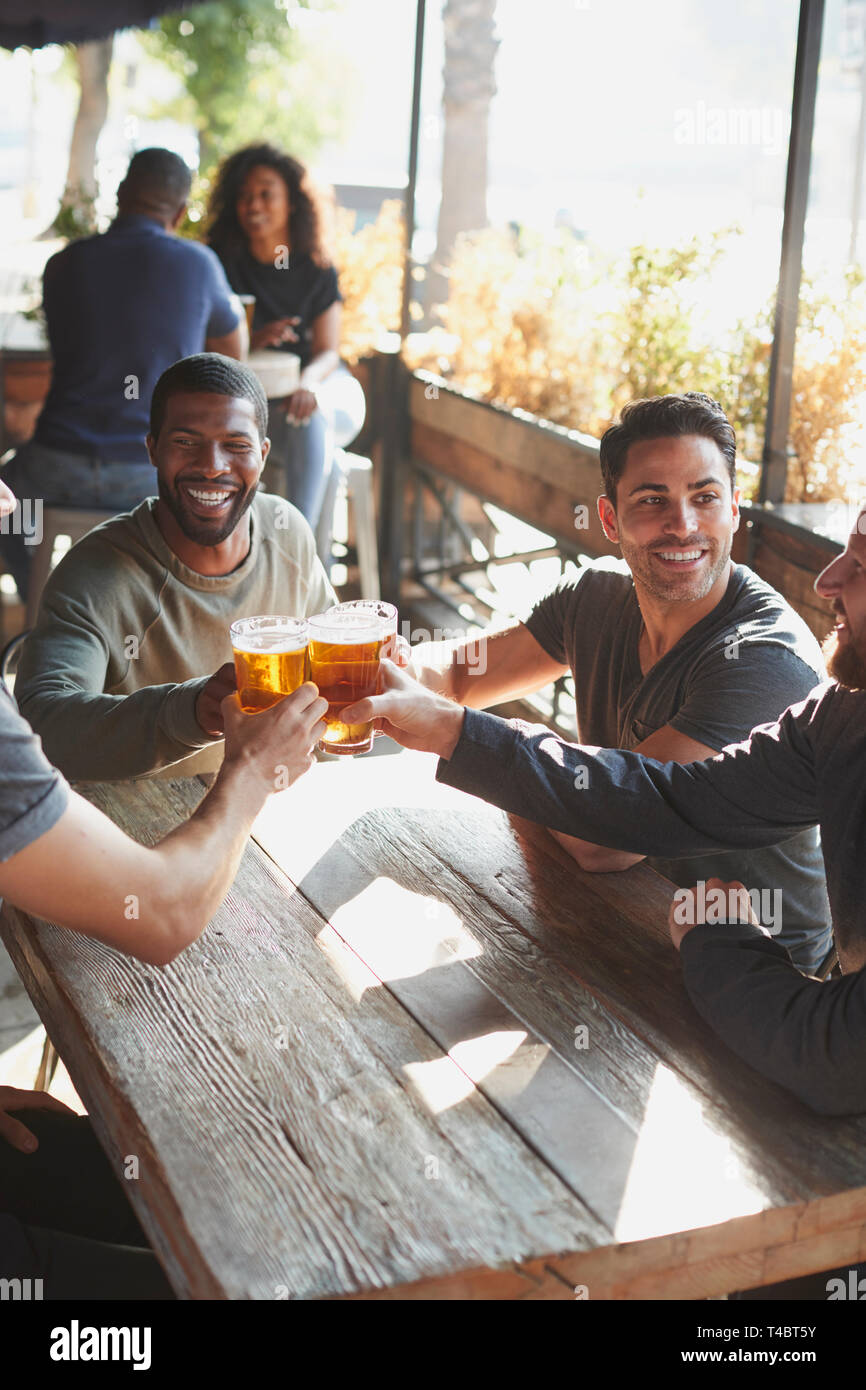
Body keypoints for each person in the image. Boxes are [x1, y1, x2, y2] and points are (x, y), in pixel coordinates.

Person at [340, 499, 866, 1119]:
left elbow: (832, 1056)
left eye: (860, 567)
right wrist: (457, 731)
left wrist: (719, 940)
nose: (826, 580)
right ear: (609, 519)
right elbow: (668, 800)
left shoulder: (769, 661)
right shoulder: (844, 714)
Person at [0, 471, 328, 1297]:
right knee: (249, 1264)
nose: (9, 501)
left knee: (175, 1194)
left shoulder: (287, 536)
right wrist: (252, 773)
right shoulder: (101, 572)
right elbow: (162, 913)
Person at [404, 393, 830, 972]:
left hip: (756, 976)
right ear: (610, 519)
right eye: (653, 500)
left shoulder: (764, 661)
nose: (682, 525)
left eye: (704, 497)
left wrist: (492, 739)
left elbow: (604, 841)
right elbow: (460, 671)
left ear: (734, 509)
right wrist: (394, 671)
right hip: (618, 919)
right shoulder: (596, 597)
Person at [14, 353, 336, 782]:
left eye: (236, 446)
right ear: (153, 449)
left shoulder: (287, 530)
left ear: (262, 455)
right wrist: (191, 711)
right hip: (138, 836)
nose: (212, 466)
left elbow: (327, 664)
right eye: (186, 442)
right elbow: (42, 725)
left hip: (270, 818)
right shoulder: (95, 573)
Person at [0, 148, 247, 603]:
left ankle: (43, 606)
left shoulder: (64, 263)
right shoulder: (198, 264)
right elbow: (233, 361)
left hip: (56, 464)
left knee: (7, 505)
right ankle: (140, 615)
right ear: (178, 211)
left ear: (121, 195)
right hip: (146, 470)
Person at [205, 143, 366, 541]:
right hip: (255, 401)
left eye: (265, 193)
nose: (253, 204)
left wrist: (308, 383)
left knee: (311, 416)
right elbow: (208, 347)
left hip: (324, 388)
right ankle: (309, 564)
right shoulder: (220, 263)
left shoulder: (316, 267)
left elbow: (329, 351)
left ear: (292, 202)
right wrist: (254, 338)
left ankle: (297, 545)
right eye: (243, 196)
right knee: (318, 451)